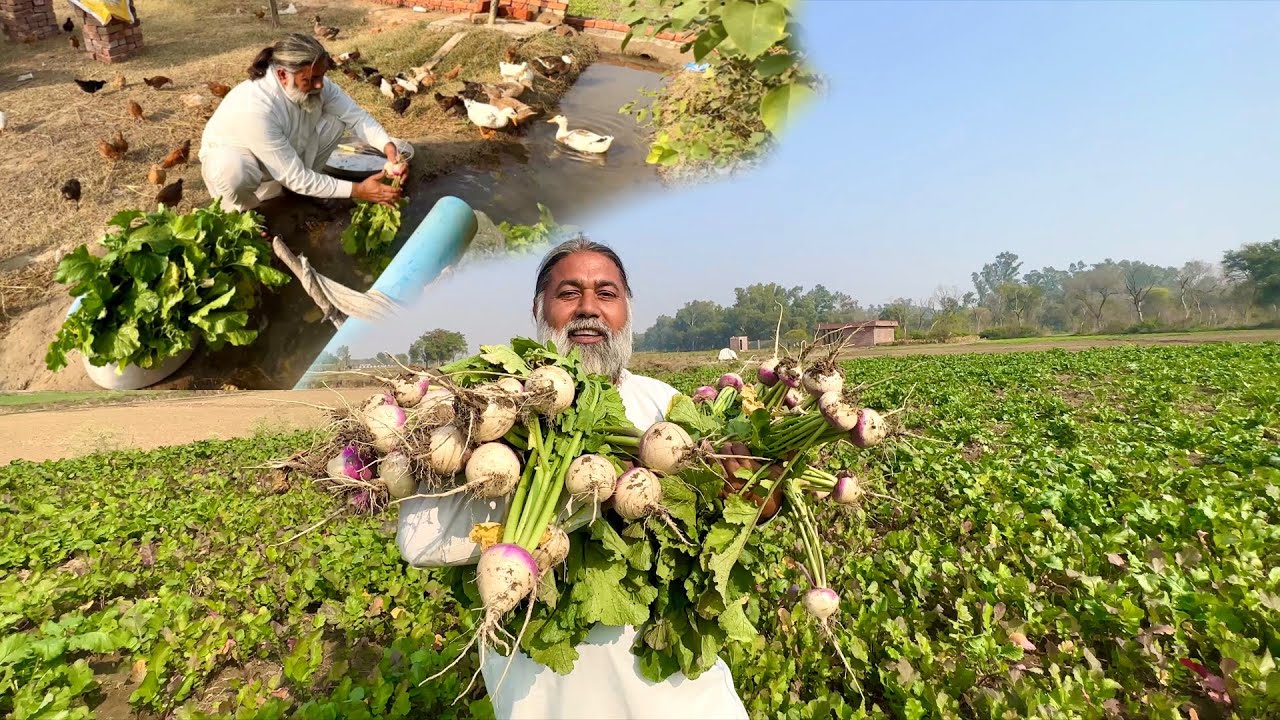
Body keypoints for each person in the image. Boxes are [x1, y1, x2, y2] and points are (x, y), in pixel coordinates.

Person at [396, 237, 752, 719]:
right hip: (546, 693)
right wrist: (584, 497)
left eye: (607, 294)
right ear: (539, 308)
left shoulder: (665, 407)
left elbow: (711, 527)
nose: (589, 309)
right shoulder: (489, 405)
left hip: (674, 694)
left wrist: (749, 502)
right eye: (569, 294)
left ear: (627, 309)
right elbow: (419, 542)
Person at [198, 32, 404, 213]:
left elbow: (356, 116)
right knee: (234, 172)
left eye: (322, 76)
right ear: (282, 74)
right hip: (240, 161)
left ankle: (303, 191)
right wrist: (357, 190)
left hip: (284, 156)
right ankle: (248, 212)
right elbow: (293, 175)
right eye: (311, 79)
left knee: (337, 120)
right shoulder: (256, 107)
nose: (320, 84)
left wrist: (389, 148)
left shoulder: (318, 85)